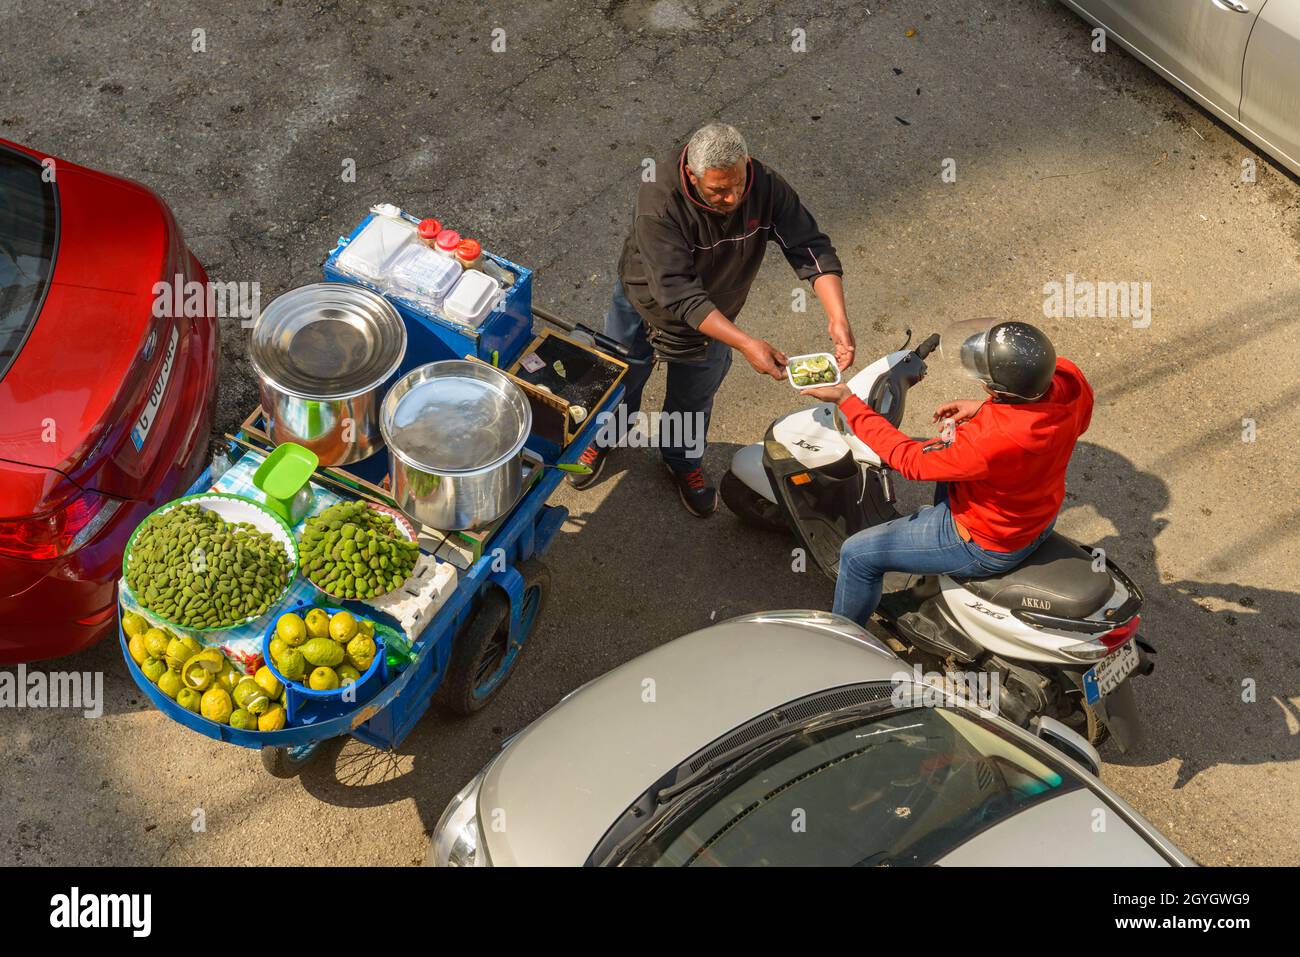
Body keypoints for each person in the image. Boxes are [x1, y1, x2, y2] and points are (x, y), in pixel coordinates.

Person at [568, 122, 855, 517]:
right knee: (619, 378)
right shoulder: (659, 201)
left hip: (716, 318)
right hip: (644, 305)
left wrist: (837, 316)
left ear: (746, 163)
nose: (733, 197)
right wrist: (745, 343)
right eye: (718, 191)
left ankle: (681, 461)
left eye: (738, 184)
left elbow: (809, 246)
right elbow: (679, 293)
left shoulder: (765, 185)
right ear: (691, 174)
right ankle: (603, 436)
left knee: (693, 398)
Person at [799, 321, 1094, 624]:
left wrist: (847, 402)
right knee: (948, 453)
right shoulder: (1069, 380)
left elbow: (910, 460)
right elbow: (1052, 421)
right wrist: (985, 408)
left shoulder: (988, 441)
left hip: (985, 541)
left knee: (857, 555)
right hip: (1035, 516)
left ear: (999, 390)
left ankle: (844, 639)